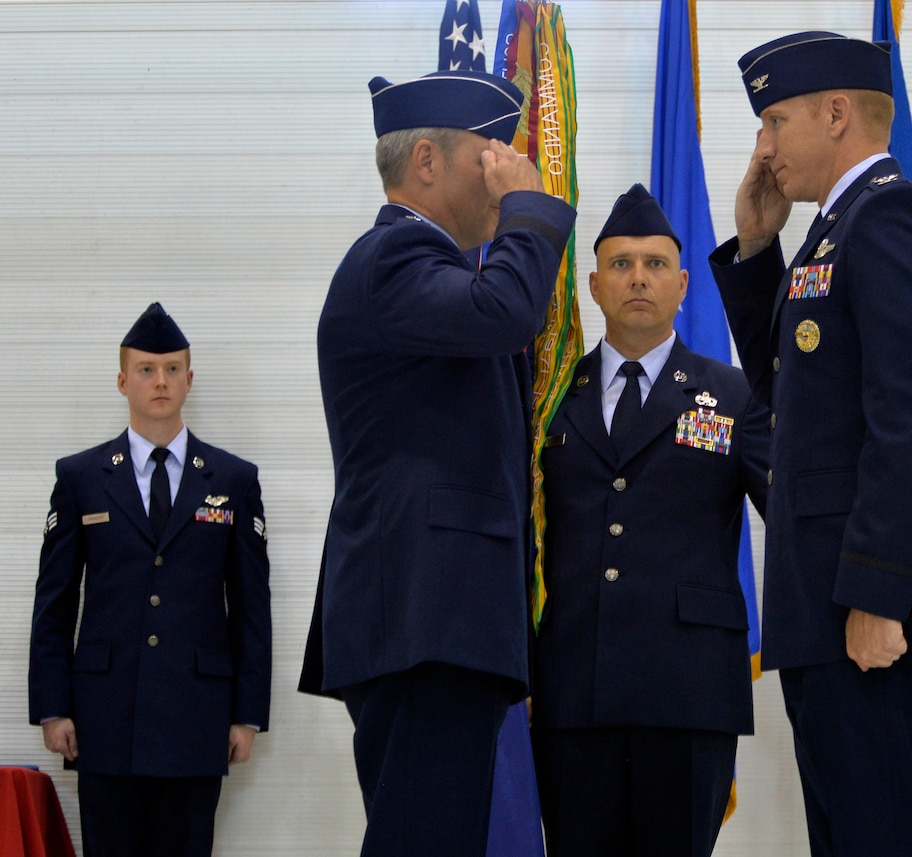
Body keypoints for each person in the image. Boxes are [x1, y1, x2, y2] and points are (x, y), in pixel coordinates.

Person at [709, 32, 912, 857]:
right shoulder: (834, 231)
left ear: (834, 114)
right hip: (822, 603)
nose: (764, 148)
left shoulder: (891, 215)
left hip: (862, 607)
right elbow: (791, 396)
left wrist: (880, 592)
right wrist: (758, 252)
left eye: (774, 120)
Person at [299, 70, 576, 857]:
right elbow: (508, 311)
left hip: (443, 618)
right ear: (426, 159)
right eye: (491, 157)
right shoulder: (393, 259)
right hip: (423, 615)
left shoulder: (432, 271)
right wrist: (534, 210)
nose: (505, 175)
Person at [530, 184, 769, 857]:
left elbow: (790, 507)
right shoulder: (551, 399)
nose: (639, 277)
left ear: (684, 282)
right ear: (595, 283)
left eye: (657, 264)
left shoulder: (733, 394)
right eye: (623, 263)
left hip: (688, 689)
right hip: (574, 690)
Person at [28, 302, 272, 857]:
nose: (159, 381)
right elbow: (55, 600)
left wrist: (247, 714)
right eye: (145, 369)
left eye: (171, 369)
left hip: (196, 716)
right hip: (103, 715)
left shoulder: (233, 479)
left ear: (190, 379)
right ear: (122, 380)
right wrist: (52, 705)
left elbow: (252, 606)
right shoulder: (81, 477)